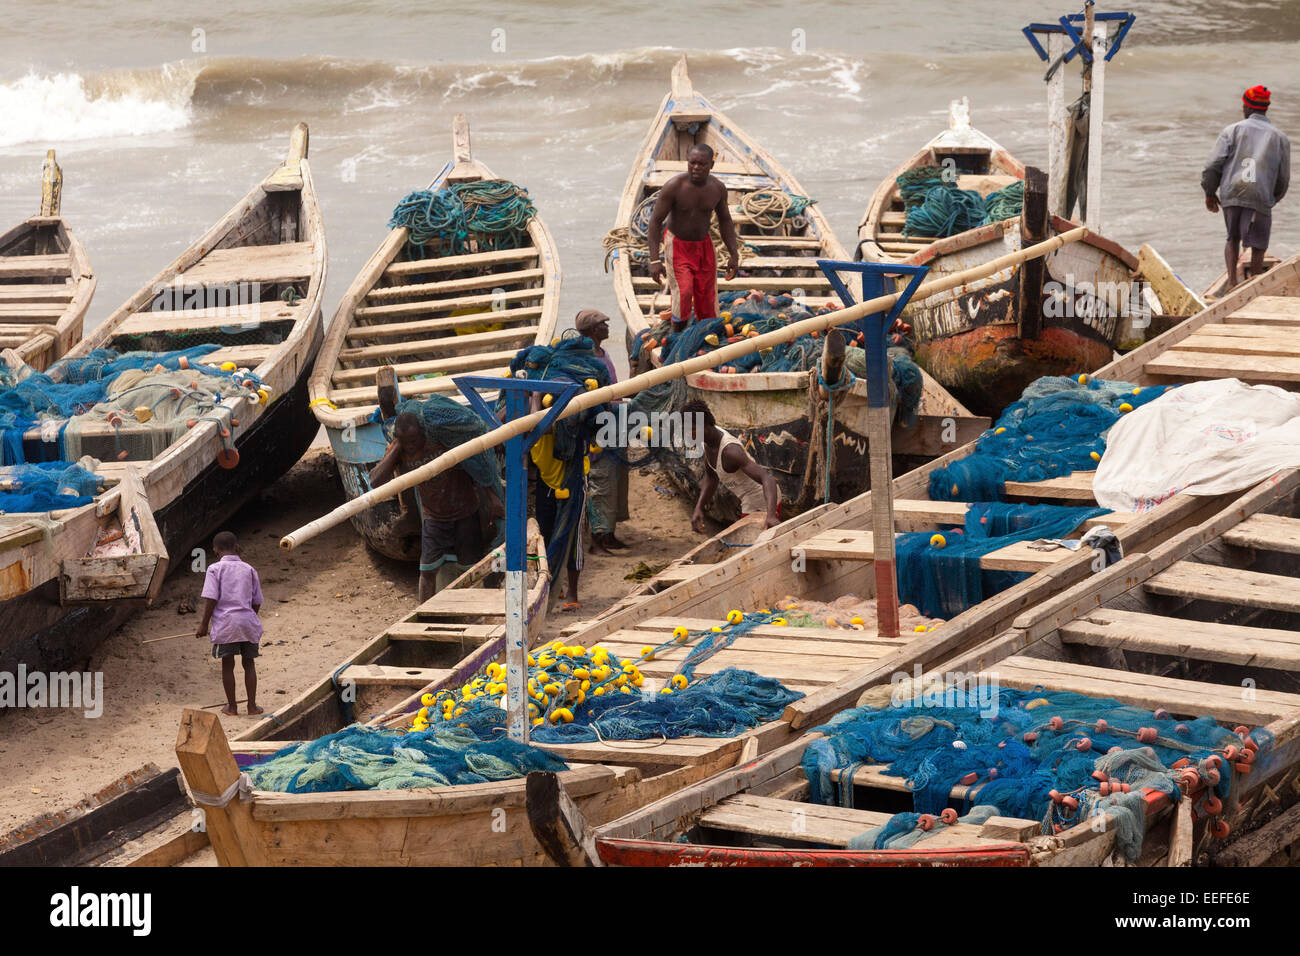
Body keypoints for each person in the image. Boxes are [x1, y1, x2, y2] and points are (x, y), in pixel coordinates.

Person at [370, 411, 503, 602]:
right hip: (434, 518)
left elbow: (476, 467)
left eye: (414, 440)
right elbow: (375, 480)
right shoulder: (400, 450)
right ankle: (424, 613)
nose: (411, 446)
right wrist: (397, 448)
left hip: (465, 513)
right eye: (406, 441)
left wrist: (492, 499)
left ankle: (474, 611)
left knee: (471, 569)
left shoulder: (441, 441)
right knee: (427, 570)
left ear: (423, 433)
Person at [1202, 85, 1290, 289]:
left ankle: (1232, 282)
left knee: (1232, 238)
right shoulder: (1280, 138)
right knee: (1258, 245)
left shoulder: (1231, 131)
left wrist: (1209, 192)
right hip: (1260, 196)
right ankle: (1255, 284)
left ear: (1246, 108)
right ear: (1265, 109)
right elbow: (1283, 178)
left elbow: (1211, 166)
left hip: (1232, 192)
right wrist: (1271, 199)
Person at [646, 143, 740, 334]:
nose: (696, 167)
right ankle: (678, 335)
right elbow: (655, 222)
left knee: (707, 296)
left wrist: (733, 254)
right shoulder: (674, 186)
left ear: (711, 165)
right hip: (678, 245)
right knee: (684, 291)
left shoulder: (717, 189)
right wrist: (654, 259)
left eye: (701, 164)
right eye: (692, 163)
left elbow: (725, 221)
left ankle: (706, 336)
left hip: (703, 246)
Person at [681, 399, 782, 532]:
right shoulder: (707, 440)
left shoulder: (730, 451)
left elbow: (767, 478)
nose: (688, 434)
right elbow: (711, 477)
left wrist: (771, 515)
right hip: (747, 500)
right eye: (686, 430)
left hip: (762, 501)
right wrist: (699, 507)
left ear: (705, 425)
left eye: (692, 430)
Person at [574, 309, 628, 555]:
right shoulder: (584, 357)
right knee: (600, 482)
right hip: (598, 429)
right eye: (603, 324)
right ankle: (597, 539)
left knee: (617, 479)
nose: (607, 327)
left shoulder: (603, 353)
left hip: (615, 422)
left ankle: (609, 534)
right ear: (593, 330)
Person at [195, 531, 264, 717]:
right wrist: (250, 617)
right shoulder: (249, 569)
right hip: (248, 622)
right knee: (249, 663)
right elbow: (257, 600)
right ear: (236, 547)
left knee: (228, 665)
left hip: (226, 625)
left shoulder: (214, 569)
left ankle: (232, 707)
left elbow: (211, 599)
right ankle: (252, 706)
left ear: (215, 550)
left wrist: (204, 625)